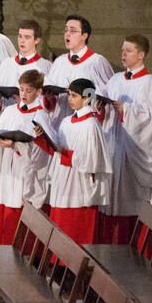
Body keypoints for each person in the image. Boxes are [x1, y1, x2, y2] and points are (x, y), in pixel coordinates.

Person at [97, 35, 152, 244]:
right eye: (122, 50)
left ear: (141, 55)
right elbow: (101, 99)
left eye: (128, 51)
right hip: (115, 148)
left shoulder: (150, 84)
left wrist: (127, 111)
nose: (123, 54)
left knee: (133, 203)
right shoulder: (116, 79)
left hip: (136, 154)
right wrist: (99, 103)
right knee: (113, 202)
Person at [38, 79, 111, 245]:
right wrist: (41, 137)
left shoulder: (91, 125)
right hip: (62, 181)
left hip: (79, 186)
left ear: (87, 98)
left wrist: (62, 152)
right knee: (59, 234)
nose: (69, 99)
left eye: (74, 96)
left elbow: (91, 160)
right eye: (69, 95)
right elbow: (55, 150)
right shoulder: (66, 121)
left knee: (77, 236)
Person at [0, 69, 55, 245]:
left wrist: (15, 146)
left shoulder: (41, 115)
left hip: (24, 174)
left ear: (39, 92)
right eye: (21, 89)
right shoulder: (10, 111)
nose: (23, 94)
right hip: (7, 170)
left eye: (28, 90)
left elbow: (43, 152)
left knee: (19, 217)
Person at [44, 15, 115, 125]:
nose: (67, 34)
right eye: (66, 30)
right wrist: (49, 98)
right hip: (61, 124)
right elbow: (50, 99)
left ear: (84, 36)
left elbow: (111, 95)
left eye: (72, 31)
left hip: (86, 126)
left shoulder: (97, 62)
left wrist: (98, 105)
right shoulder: (59, 62)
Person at [0, 19, 52, 113]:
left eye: (27, 37)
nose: (22, 41)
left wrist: (25, 103)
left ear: (37, 40)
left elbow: (51, 102)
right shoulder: (7, 64)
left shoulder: (45, 66)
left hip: (32, 120)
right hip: (9, 118)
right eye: (20, 36)